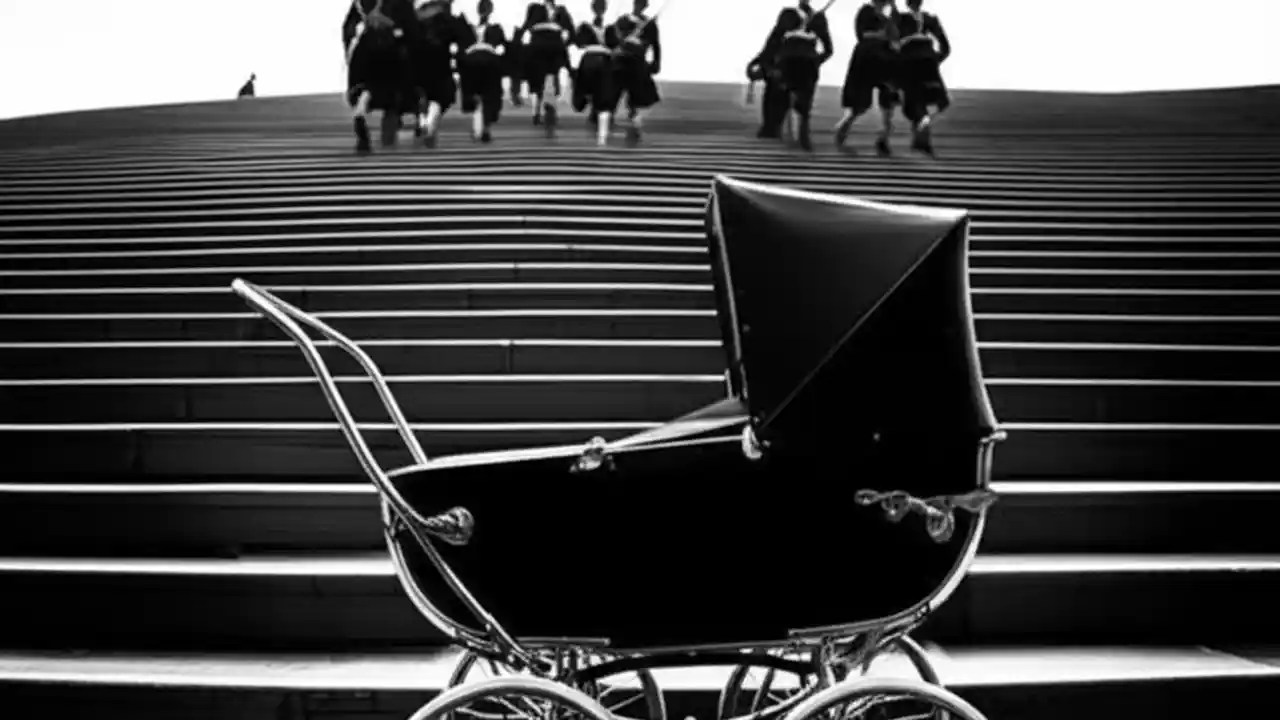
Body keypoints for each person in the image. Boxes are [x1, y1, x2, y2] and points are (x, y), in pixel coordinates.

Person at [755, 1, 834, 150]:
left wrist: (764, 62)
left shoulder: (808, 18)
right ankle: (796, 132)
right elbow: (829, 49)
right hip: (803, 65)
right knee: (800, 103)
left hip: (790, 64)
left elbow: (772, 42)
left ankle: (779, 130)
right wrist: (817, 60)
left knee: (782, 97)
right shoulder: (811, 18)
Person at [343, 0, 419, 153]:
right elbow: (413, 29)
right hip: (393, 48)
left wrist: (349, 51)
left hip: (366, 47)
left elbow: (348, 28)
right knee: (395, 94)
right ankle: (388, 142)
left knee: (365, 89)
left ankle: (360, 112)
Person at [833, 0, 901, 156]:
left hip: (886, 58)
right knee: (860, 102)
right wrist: (883, 35)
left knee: (888, 100)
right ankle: (842, 130)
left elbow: (897, 32)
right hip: (867, 57)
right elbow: (862, 34)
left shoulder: (887, 19)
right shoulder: (866, 11)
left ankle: (883, 139)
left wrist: (894, 9)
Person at [894, 0, 951, 156]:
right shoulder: (930, 19)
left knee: (913, 102)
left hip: (908, 63)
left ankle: (923, 125)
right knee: (936, 100)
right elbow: (946, 47)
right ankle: (922, 140)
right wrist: (934, 59)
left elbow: (891, 42)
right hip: (928, 62)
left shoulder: (899, 19)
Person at [409, 0, 468, 147]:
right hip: (440, 62)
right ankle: (429, 125)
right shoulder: (447, 20)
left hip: (417, 63)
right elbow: (464, 40)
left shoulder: (415, 18)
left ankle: (423, 120)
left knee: (422, 94)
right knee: (440, 98)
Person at [518, 0, 575, 134]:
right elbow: (571, 31)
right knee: (547, 75)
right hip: (549, 44)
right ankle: (545, 108)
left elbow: (525, 26)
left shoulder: (542, 9)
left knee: (542, 76)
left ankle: (541, 109)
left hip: (544, 44)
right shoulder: (555, 10)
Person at [611, 0, 662, 146]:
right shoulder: (624, 21)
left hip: (635, 63)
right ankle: (618, 116)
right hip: (625, 62)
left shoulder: (648, 24)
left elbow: (656, 45)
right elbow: (614, 39)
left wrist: (656, 62)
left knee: (634, 94)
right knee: (618, 92)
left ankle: (631, 116)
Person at [457, 0, 509, 142]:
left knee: (474, 94)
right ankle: (485, 127)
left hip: (470, 62)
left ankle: (478, 127)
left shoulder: (467, 27)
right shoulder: (496, 29)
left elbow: (459, 46)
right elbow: (504, 46)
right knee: (490, 94)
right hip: (490, 60)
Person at [573, 0, 621, 146]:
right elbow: (615, 45)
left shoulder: (584, 26)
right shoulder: (611, 28)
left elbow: (578, 42)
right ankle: (602, 136)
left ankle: (585, 101)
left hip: (588, 59)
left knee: (584, 87)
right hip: (605, 61)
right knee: (604, 94)